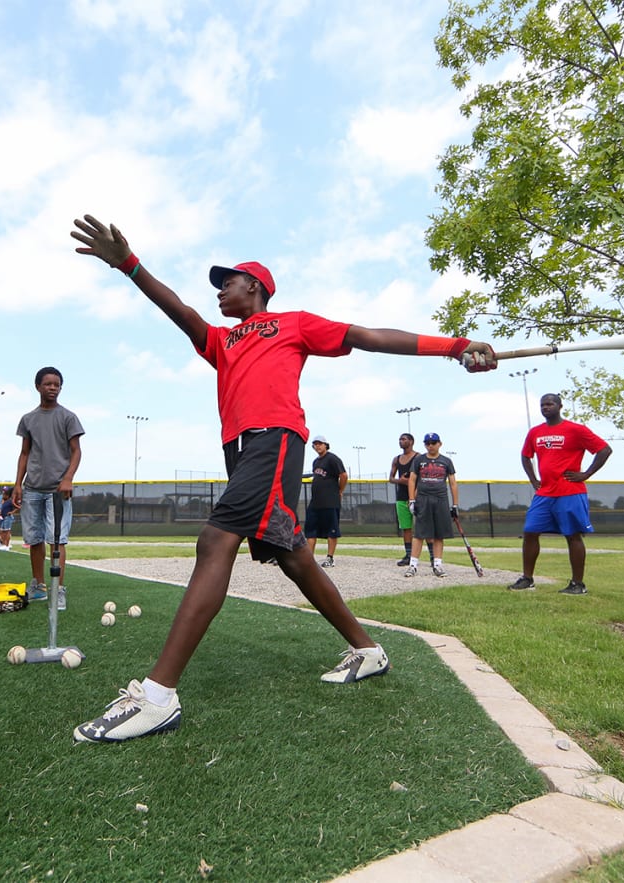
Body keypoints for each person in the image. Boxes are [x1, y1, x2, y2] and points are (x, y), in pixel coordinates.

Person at [67, 213, 497, 743]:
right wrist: (129, 265)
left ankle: (157, 697)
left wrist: (455, 345)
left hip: (274, 441)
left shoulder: (291, 323)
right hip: (241, 450)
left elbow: (366, 335)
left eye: (229, 281)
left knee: (215, 539)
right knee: (293, 554)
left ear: (257, 287)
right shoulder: (222, 342)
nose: (221, 290)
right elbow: (177, 309)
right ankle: (368, 650)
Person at [510, 393, 613, 595]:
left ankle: (577, 584)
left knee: (573, 536)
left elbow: (604, 450)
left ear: (559, 406)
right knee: (530, 532)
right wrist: (533, 480)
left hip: (570, 491)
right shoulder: (535, 432)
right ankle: (527, 579)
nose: (545, 407)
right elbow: (525, 456)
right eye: (542, 405)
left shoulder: (576, 430)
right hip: (545, 493)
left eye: (549, 404)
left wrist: (586, 474)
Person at [13, 366, 85, 603]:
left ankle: (58, 590)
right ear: (38, 387)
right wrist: (18, 485)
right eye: (48, 384)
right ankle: (39, 586)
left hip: (58, 491)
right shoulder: (28, 419)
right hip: (32, 488)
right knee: (34, 540)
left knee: (57, 541)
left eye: (57, 385)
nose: (53, 388)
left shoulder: (68, 417)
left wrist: (68, 479)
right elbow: (24, 453)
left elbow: (76, 451)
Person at [403, 433, 460, 578]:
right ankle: (413, 565)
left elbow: (453, 483)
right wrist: (412, 500)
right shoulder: (419, 460)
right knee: (420, 533)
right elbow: (412, 480)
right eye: (427, 443)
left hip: (440, 499)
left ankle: (437, 565)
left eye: (433, 443)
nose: (430, 446)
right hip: (423, 499)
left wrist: (455, 505)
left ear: (440, 444)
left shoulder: (446, 461)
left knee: (439, 534)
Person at [304, 437, 348, 567]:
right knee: (310, 531)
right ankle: (309, 559)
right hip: (316, 502)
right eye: (315, 445)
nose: (317, 447)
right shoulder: (316, 462)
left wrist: (340, 490)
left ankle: (330, 558)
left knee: (331, 530)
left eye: (319, 444)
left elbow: (343, 475)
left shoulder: (332, 458)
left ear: (326, 445)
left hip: (330, 501)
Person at [388, 432, 419, 566]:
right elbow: (391, 479)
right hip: (402, 497)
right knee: (406, 527)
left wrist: (412, 487)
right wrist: (400, 481)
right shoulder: (397, 459)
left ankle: (432, 556)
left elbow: (422, 478)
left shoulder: (418, 458)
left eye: (404, 439)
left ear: (411, 441)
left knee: (425, 527)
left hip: (418, 496)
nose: (401, 441)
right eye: (400, 439)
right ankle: (408, 555)